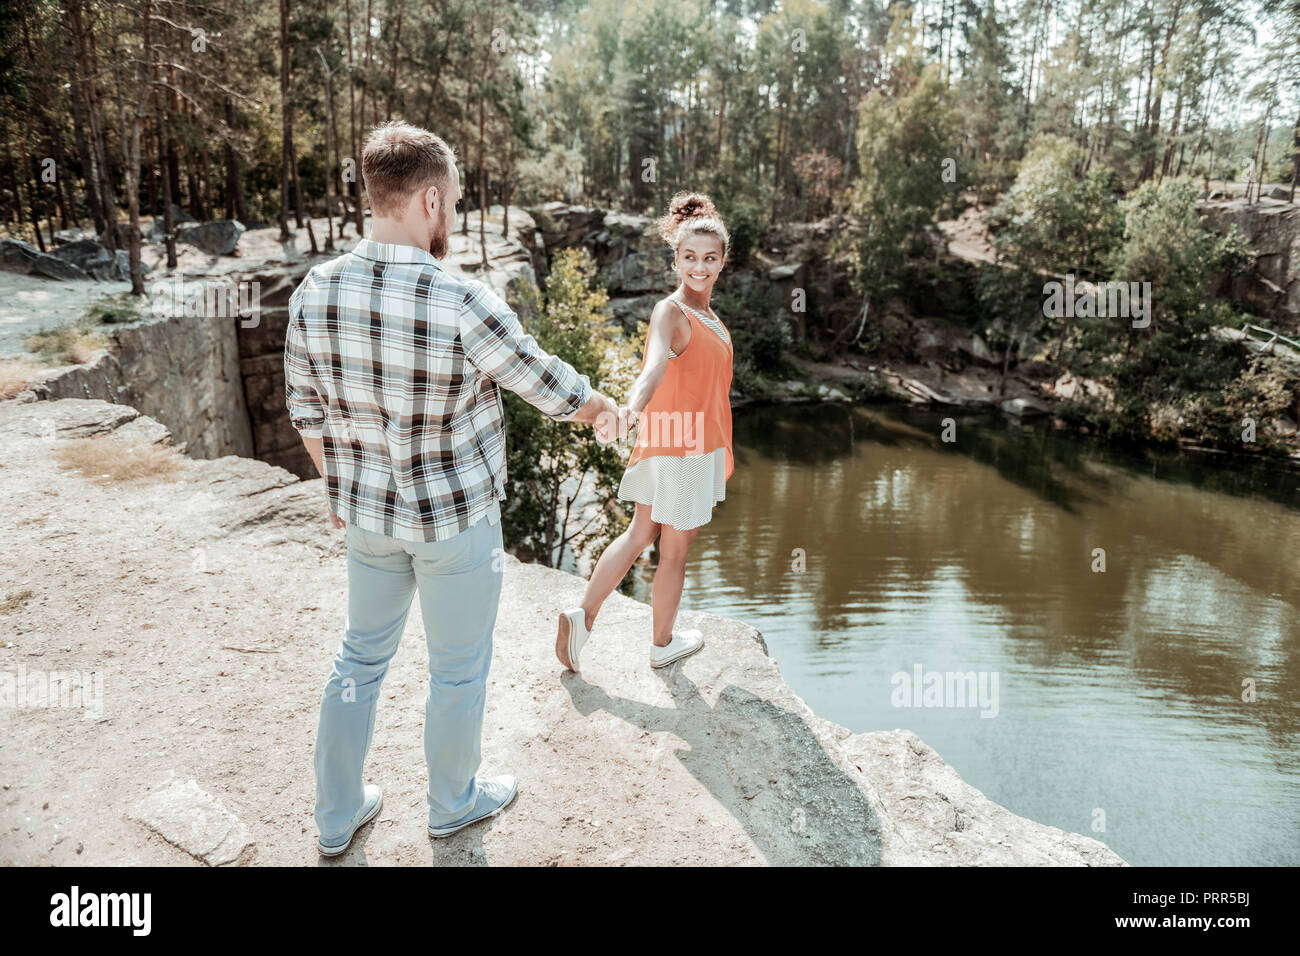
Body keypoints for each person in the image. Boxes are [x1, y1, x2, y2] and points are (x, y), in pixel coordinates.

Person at [284, 121, 619, 856]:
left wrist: (339, 494)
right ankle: (452, 802)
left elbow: (306, 416)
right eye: (456, 201)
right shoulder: (459, 297)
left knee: (359, 659)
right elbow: (540, 379)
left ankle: (337, 815)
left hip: (367, 517)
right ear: (430, 199)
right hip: (457, 524)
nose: (455, 216)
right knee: (458, 669)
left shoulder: (315, 290)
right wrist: (601, 409)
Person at [555, 192, 734, 673]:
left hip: (668, 440)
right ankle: (662, 644)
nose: (699, 267)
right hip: (687, 448)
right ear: (675, 259)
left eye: (709, 258)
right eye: (690, 257)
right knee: (673, 553)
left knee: (639, 532)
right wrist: (630, 410)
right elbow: (652, 369)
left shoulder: (709, 318)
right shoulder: (672, 312)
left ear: (722, 262)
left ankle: (582, 616)